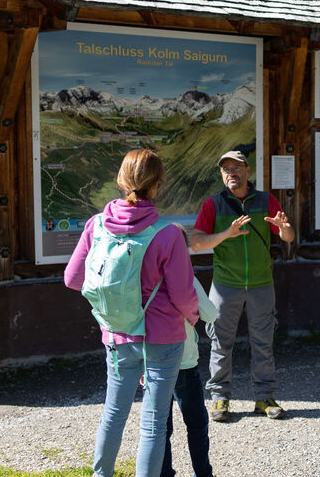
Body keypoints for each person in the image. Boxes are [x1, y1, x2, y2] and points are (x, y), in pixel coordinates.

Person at [64, 149, 199, 477]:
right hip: (163, 337)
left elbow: (72, 278)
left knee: (113, 413)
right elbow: (184, 295)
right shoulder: (168, 234)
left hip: (117, 332)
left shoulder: (96, 226)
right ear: (157, 186)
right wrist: (194, 317)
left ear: (121, 181)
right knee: (153, 425)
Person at [190, 150, 295, 421]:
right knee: (220, 342)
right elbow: (198, 243)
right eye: (225, 169)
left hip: (261, 283)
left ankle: (264, 398)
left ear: (247, 170)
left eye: (236, 168)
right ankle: (220, 399)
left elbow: (288, 236)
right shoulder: (213, 204)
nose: (231, 173)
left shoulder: (266, 201)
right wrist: (227, 234)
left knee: (263, 342)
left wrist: (283, 228)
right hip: (225, 285)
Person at [161, 224, 216, 477]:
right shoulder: (186, 277)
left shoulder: (146, 276)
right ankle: (203, 474)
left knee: (160, 427)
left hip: (153, 360)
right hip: (184, 361)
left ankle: (162, 473)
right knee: (196, 423)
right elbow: (210, 313)